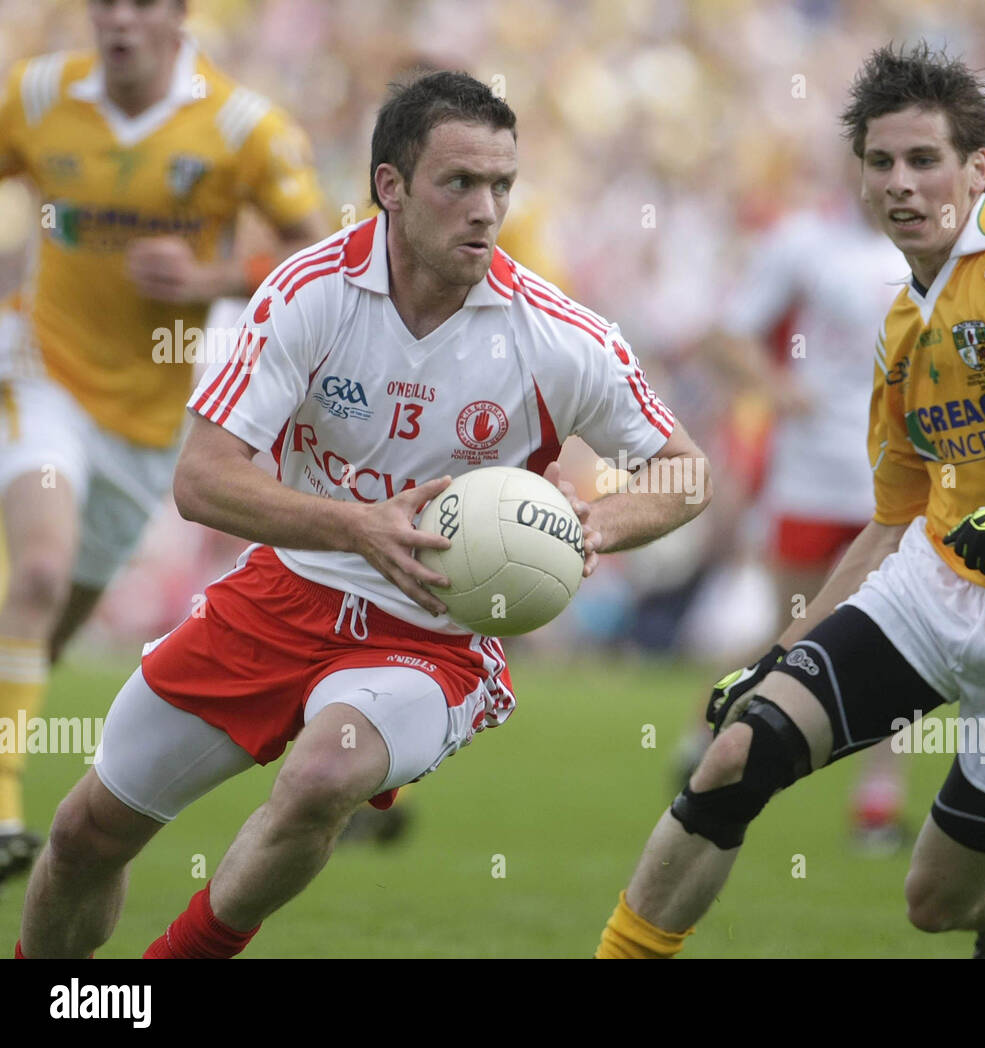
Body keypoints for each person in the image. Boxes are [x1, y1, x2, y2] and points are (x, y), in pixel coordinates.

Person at [15, 70, 709, 959]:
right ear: (391, 186)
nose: (486, 209)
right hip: (281, 594)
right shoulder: (308, 292)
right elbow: (202, 482)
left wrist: (592, 526)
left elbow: (688, 475)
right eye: (458, 183)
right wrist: (357, 526)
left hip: (431, 636)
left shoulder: (561, 337)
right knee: (85, 836)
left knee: (325, 773)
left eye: (501, 185)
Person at [596, 42, 985, 960]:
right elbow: (889, 523)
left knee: (934, 904)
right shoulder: (903, 328)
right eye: (882, 162)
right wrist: (778, 653)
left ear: (977, 168)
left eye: (925, 160)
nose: (901, 183)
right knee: (734, 757)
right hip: (936, 586)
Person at [0, 0, 329, 882]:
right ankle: (0, 805)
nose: (118, 18)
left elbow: (320, 248)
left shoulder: (241, 127)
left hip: (154, 414)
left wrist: (213, 277)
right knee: (34, 572)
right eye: (103, 1)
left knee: (54, 616)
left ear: (178, 16)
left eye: (141, 2)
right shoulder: (35, 96)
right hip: (41, 368)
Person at [694, 189, 912, 849]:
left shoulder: (935, 247)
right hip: (812, 473)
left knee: (896, 625)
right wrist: (778, 388)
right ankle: (707, 734)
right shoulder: (802, 240)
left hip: (896, 477)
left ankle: (878, 799)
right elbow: (724, 337)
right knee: (788, 629)